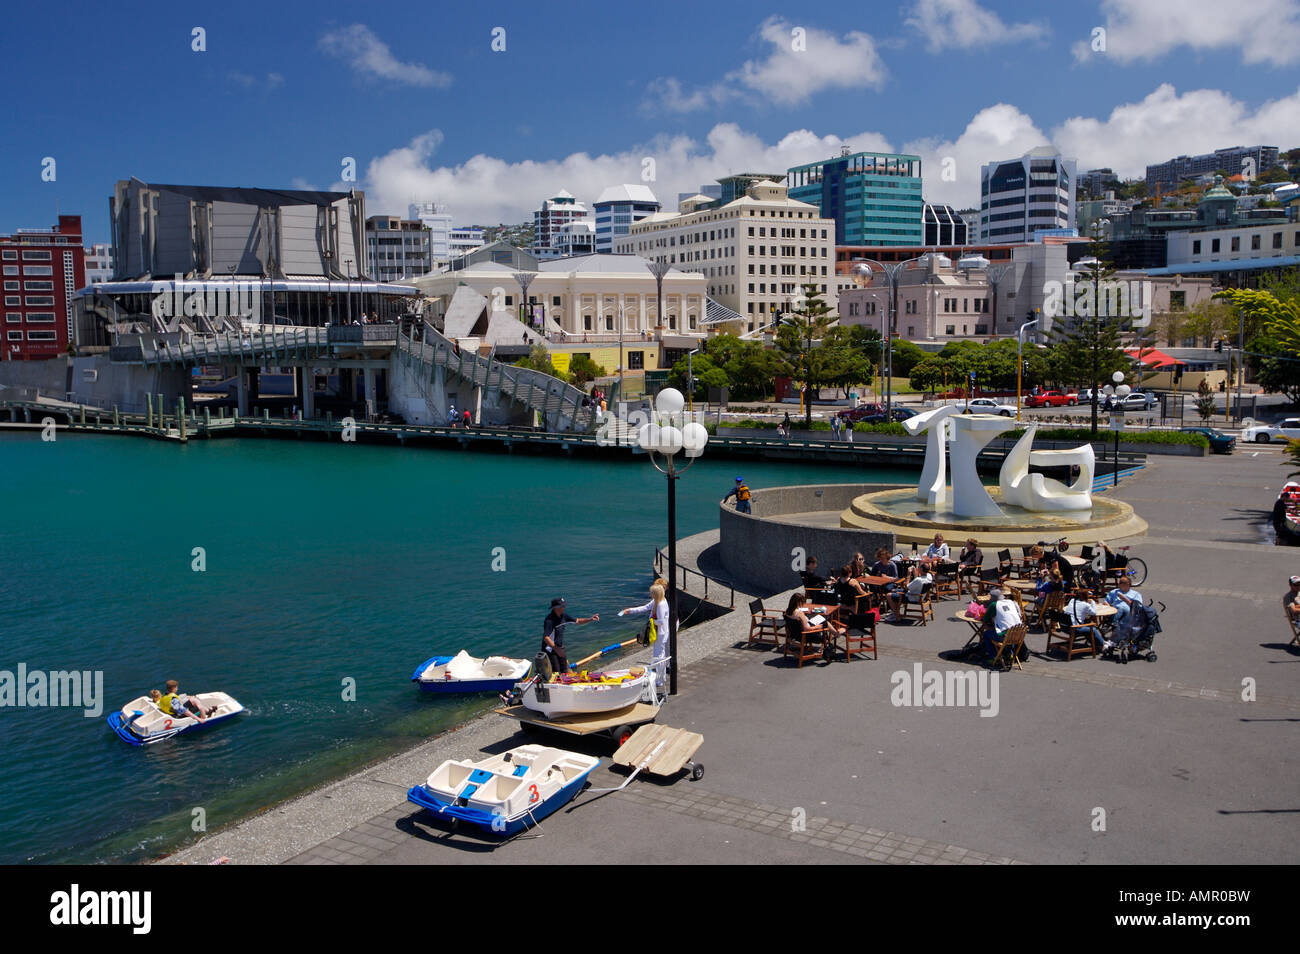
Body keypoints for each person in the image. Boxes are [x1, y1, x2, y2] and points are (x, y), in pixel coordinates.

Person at [619, 583, 672, 687]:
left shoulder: (661, 604)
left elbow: (661, 621)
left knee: (659, 656)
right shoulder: (657, 601)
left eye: (652, 592)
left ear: (656, 593)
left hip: (660, 634)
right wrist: (630, 610)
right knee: (659, 655)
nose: (650, 594)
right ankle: (661, 677)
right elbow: (645, 607)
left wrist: (652, 621)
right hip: (658, 633)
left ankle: (660, 679)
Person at [541, 598, 599, 676]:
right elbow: (546, 638)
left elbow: (577, 621)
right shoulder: (549, 620)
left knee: (565, 670)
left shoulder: (564, 616)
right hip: (551, 650)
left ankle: (566, 682)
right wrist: (557, 649)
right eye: (562, 606)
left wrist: (590, 619)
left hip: (559, 647)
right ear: (556, 608)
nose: (564, 607)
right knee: (556, 672)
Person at [981, 587, 1023, 658]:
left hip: (1005, 637)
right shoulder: (1011, 602)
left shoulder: (994, 605)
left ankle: (993, 656)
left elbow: (985, 619)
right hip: (1018, 634)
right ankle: (1010, 654)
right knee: (1010, 628)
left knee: (986, 634)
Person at [1063, 588, 1109, 654]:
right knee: (1093, 629)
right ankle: (1103, 645)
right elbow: (1093, 613)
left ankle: (1099, 643)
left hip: (1065, 626)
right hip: (1074, 629)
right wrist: (1092, 602)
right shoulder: (1085, 605)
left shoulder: (1072, 600)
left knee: (1087, 623)